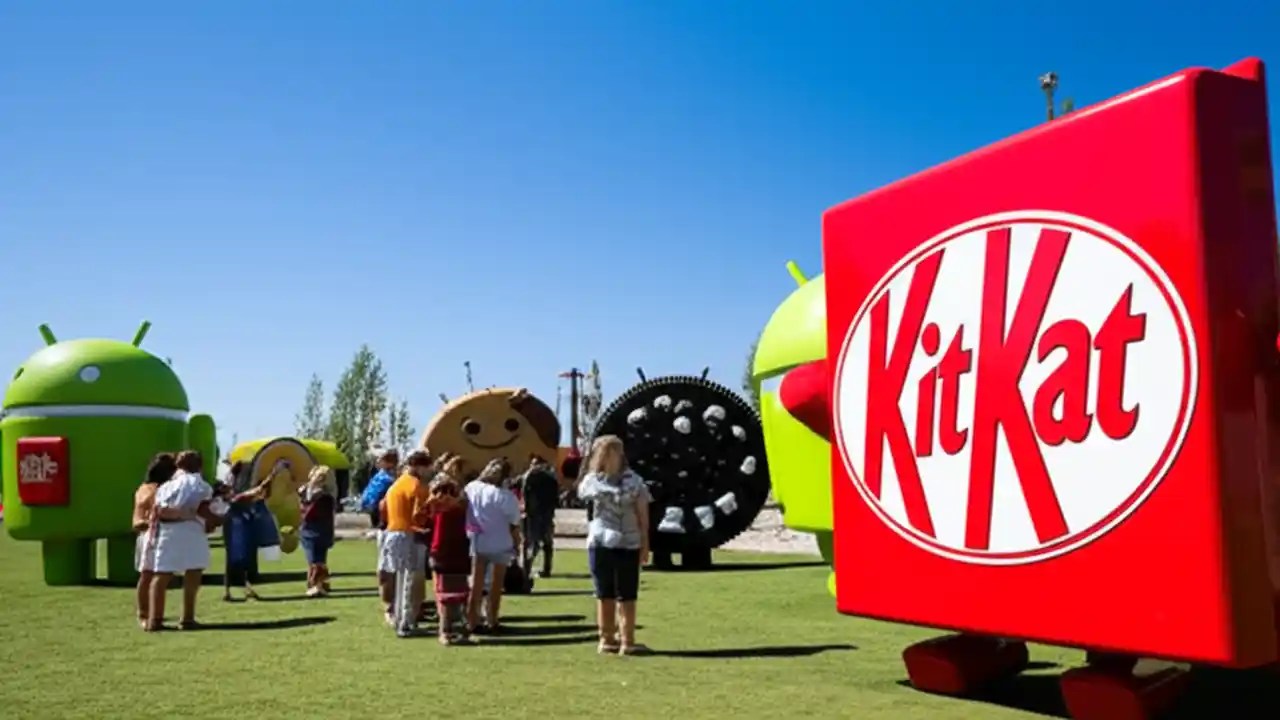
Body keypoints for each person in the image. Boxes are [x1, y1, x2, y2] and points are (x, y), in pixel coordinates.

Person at [578, 434, 651, 655]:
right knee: (621, 593)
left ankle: (610, 639)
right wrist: (644, 541)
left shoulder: (592, 481)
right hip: (623, 541)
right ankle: (623, 640)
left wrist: (644, 541)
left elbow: (583, 493)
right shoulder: (634, 481)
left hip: (604, 541)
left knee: (608, 592)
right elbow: (642, 515)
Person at [146, 450, 221, 631]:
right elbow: (204, 510)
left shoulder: (165, 487)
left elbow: (158, 510)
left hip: (168, 531)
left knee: (162, 575)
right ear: (199, 466)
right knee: (193, 572)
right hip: (191, 530)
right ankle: (187, 618)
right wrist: (217, 520)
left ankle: (154, 619)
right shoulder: (201, 485)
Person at [464, 457, 522, 634]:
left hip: (477, 539)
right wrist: (517, 543)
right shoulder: (506, 496)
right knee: (496, 585)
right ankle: (492, 619)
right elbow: (514, 523)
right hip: (500, 541)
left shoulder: (472, 488)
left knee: (476, 584)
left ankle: (472, 619)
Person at [381, 450, 434, 638]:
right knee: (409, 580)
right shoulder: (417, 486)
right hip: (407, 535)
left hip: (392, 533)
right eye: (427, 467)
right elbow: (418, 517)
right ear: (419, 466)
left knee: (399, 579)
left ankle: (399, 619)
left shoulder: (397, 483)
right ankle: (406, 623)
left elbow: (383, 508)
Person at [424, 472, 471, 645]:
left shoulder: (434, 507)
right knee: (458, 595)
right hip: (456, 553)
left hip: (442, 553)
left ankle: (446, 632)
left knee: (445, 595)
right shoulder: (460, 508)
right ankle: (455, 631)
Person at [132, 452, 177, 629]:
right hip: (150, 534)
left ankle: (150, 612)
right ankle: (144, 613)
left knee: (153, 574)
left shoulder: (146, 487)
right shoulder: (153, 490)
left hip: (155, 533)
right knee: (148, 574)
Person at [361, 449, 400, 620]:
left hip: (383, 525)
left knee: (388, 566)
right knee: (389, 567)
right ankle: (390, 606)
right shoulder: (387, 480)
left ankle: (392, 603)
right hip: (387, 525)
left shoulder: (379, 478)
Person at [300, 464, 338, 597]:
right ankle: (319, 585)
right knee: (318, 560)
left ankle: (317, 585)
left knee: (315, 560)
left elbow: (308, 512)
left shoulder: (314, 493)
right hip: (319, 529)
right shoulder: (323, 495)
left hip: (312, 529)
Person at [520, 454, 560, 578]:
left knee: (534, 542)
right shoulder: (549, 479)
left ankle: (528, 569)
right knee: (543, 543)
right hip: (541, 514)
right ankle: (542, 569)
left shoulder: (529, 477)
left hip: (536, 514)